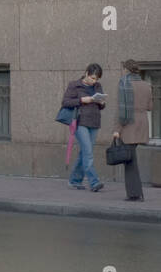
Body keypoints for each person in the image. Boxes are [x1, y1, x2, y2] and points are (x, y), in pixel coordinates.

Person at [111, 60, 152, 202]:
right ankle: (136, 193)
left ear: (126, 70)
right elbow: (150, 106)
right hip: (142, 124)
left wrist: (117, 129)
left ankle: (135, 194)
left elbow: (121, 110)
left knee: (130, 162)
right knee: (131, 159)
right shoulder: (147, 84)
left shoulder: (124, 83)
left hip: (128, 125)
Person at [62, 63, 107, 192]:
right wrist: (82, 100)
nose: (94, 81)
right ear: (86, 73)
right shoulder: (74, 85)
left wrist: (102, 103)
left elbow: (101, 106)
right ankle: (94, 182)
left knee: (84, 153)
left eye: (97, 79)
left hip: (94, 122)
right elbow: (65, 102)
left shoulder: (98, 86)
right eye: (92, 78)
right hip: (80, 122)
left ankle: (74, 180)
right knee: (88, 152)